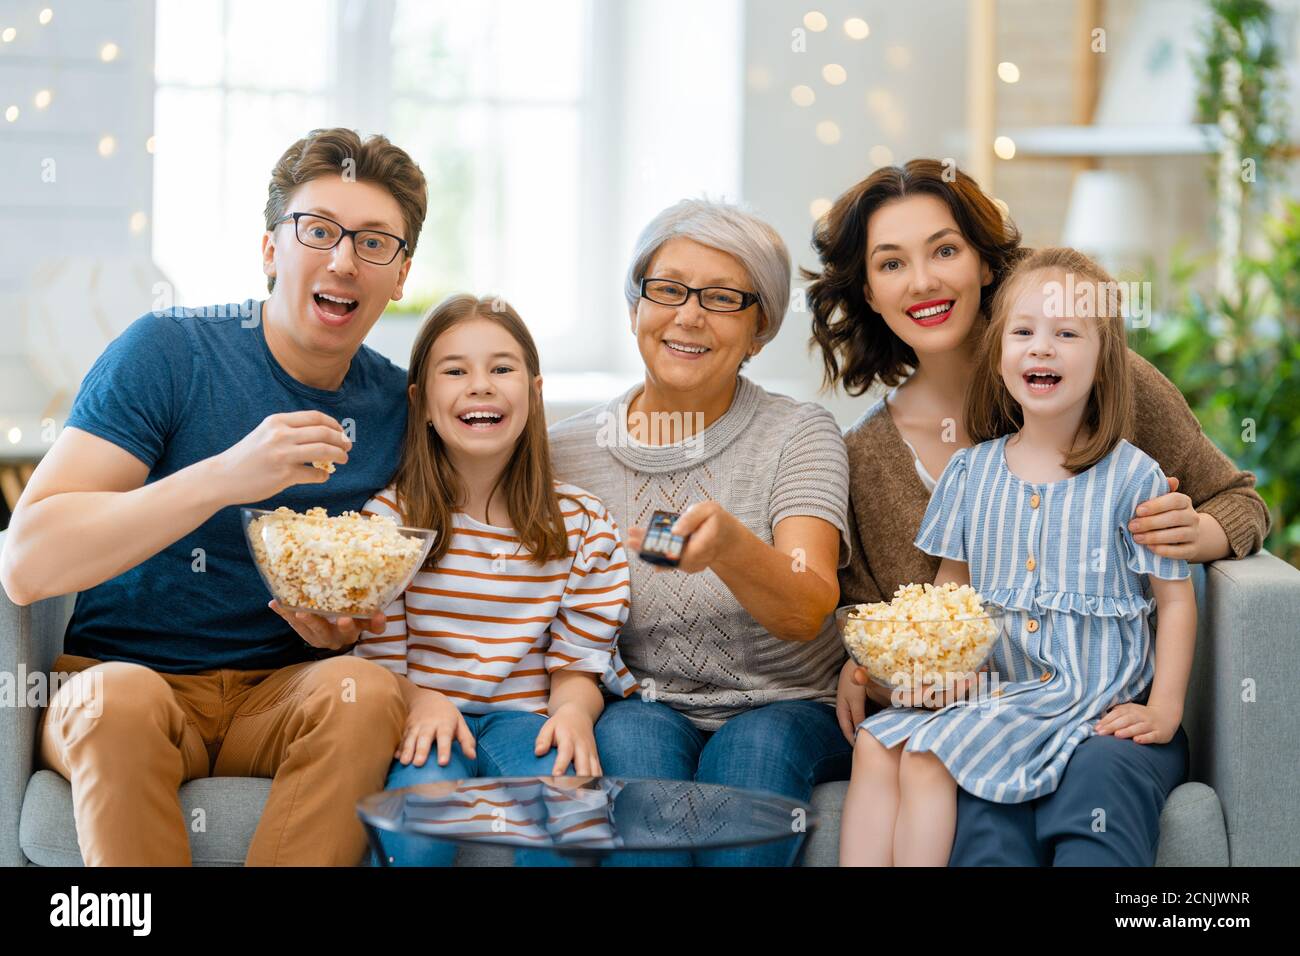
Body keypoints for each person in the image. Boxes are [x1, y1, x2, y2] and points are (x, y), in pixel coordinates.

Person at [807, 159, 1270, 865]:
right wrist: (868, 661)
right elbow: (890, 607)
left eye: (945, 250)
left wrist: (1200, 532)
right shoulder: (864, 456)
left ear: (984, 264)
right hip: (974, 701)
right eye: (892, 263)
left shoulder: (1105, 378)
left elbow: (1240, 500)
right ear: (867, 290)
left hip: (1089, 695)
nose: (924, 281)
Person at [1, 127, 428, 865]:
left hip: (281, 694)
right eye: (317, 230)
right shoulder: (168, 352)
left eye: (374, 242)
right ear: (271, 250)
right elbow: (26, 563)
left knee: (364, 692)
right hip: (126, 682)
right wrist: (228, 475)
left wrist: (342, 629)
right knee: (120, 702)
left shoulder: (398, 405)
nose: (342, 260)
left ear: (401, 275)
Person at [839, 247, 1196, 865]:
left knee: (926, 759)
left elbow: (1175, 598)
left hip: (1082, 692)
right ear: (1000, 352)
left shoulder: (1133, 478)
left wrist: (1164, 708)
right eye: (1023, 332)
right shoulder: (972, 472)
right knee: (874, 742)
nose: (1041, 348)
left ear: (1106, 364)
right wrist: (931, 670)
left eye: (1066, 334)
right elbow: (950, 601)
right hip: (993, 687)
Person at [549, 199, 852, 866]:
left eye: (722, 298)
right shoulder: (563, 453)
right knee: (634, 782)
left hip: (786, 703)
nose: (689, 315)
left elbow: (807, 609)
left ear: (759, 330)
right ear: (635, 308)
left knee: (754, 758)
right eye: (668, 290)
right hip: (645, 697)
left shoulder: (798, 435)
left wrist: (731, 550)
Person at [354, 294, 636, 866]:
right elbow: (377, 664)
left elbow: (579, 664)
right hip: (423, 717)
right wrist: (421, 700)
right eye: (455, 370)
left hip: (526, 722)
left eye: (502, 369)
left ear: (533, 393)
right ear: (422, 402)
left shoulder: (584, 523)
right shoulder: (386, 524)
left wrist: (573, 714)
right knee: (415, 837)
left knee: (568, 826)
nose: (480, 385)